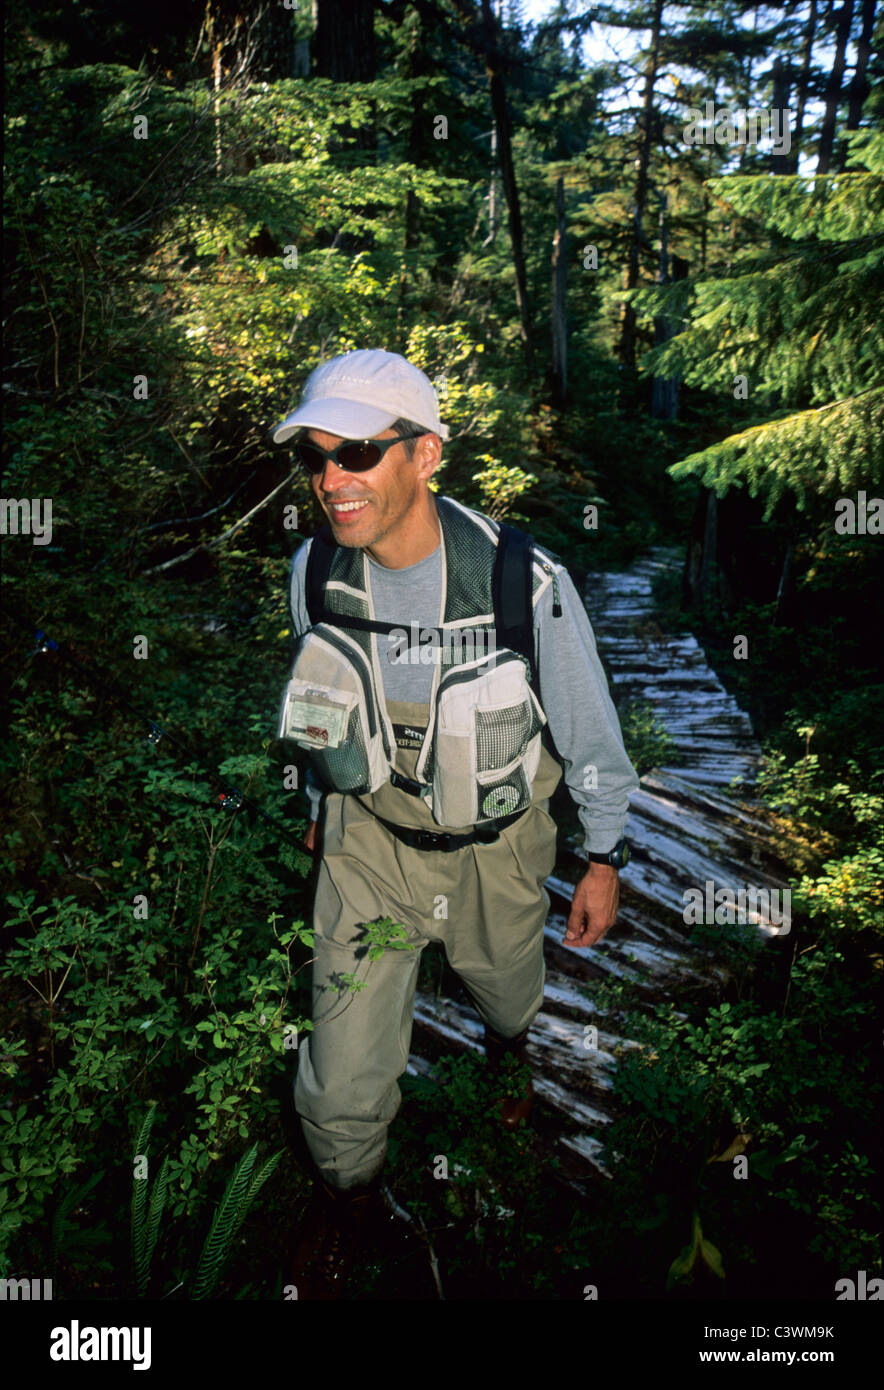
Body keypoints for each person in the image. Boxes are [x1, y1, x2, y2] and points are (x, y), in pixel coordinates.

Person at [272, 349, 639, 1298]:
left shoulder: (521, 579)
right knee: (340, 1071)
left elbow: (591, 733)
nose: (331, 481)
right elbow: (322, 712)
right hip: (370, 849)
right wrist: (322, 807)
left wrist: (603, 857)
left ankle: (509, 1046)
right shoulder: (312, 574)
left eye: (356, 451)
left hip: (499, 852)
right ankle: (350, 1202)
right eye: (314, 458)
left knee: (508, 987)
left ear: (425, 454)